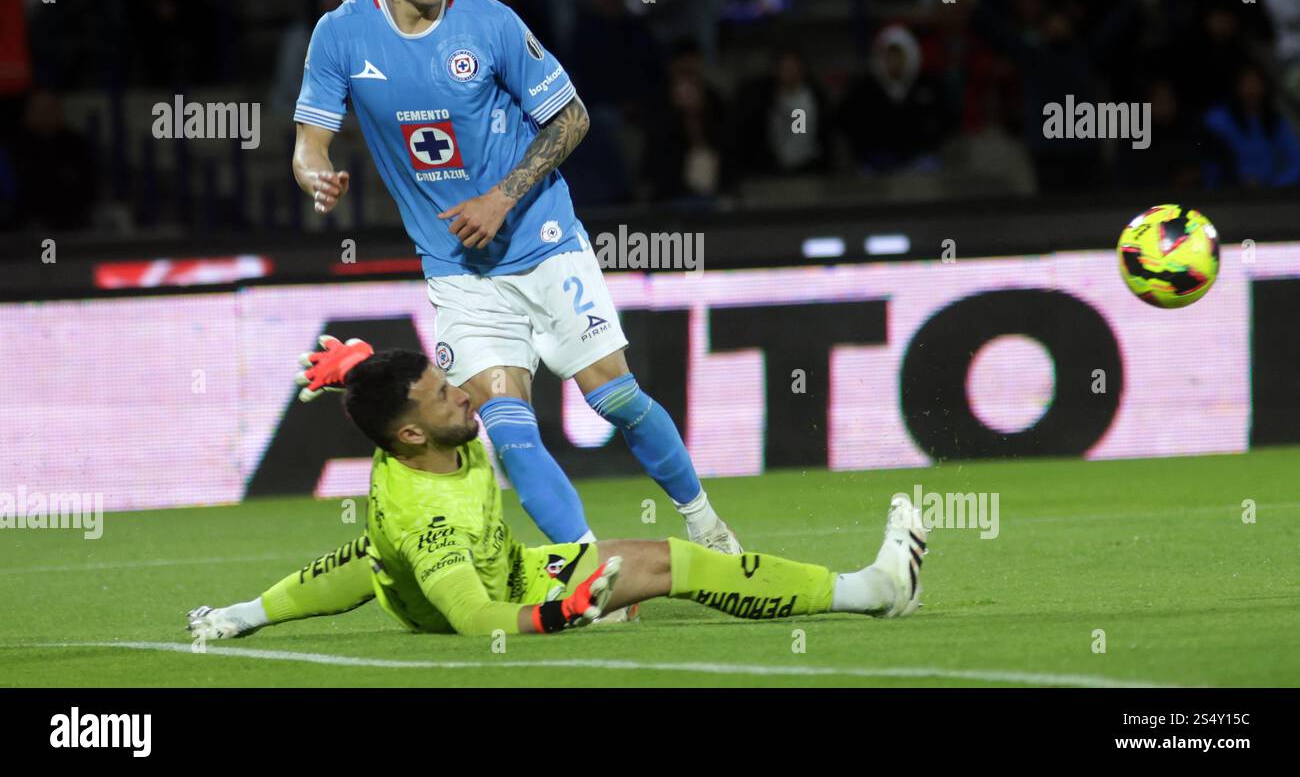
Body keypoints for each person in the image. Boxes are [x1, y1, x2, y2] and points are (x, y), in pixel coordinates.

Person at [290, 0, 739, 556]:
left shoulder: (491, 24)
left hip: (544, 242)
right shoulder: (340, 35)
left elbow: (572, 116)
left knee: (614, 399)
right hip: (460, 272)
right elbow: (307, 143)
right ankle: (591, 572)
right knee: (509, 429)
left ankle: (704, 521)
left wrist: (500, 198)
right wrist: (315, 173)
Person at [188, 339, 927, 639]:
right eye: (446, 397)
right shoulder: (428, 524)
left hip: (508, 564)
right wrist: (560, 613)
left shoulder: (425, 433)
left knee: (673, 562)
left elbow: (361, 562)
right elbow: (476, 619)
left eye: (451, 384)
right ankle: (874, 590)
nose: (466, 396)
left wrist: (350, 365)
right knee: (377, 564)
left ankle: (875, 589)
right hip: (483, 595)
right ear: (410, 436)